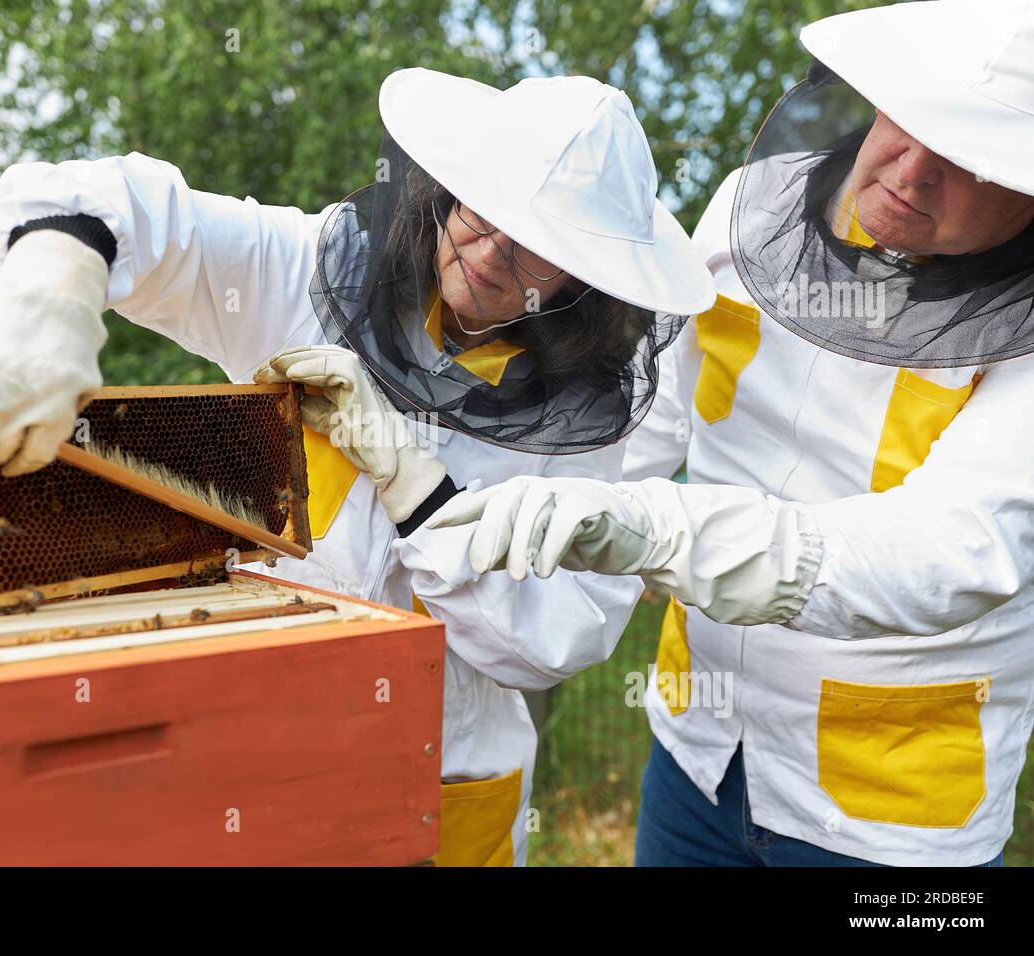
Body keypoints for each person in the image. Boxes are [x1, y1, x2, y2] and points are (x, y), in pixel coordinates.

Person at [0, 67, 716, 865]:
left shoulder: (599, 415)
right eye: (481, 212)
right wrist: (49, 290)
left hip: (449, 776)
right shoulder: (303, 271)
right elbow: (125, 204)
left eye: (537, 247)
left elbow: (553, 638)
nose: (491, 253)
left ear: (587, 274)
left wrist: (413, 483)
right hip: (253, 746)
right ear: (447, 187)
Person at [429, 0, 1034, 866]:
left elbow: (955, 551)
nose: (914, 166)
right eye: (909, 115)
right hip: (699, 747)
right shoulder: (758, 207)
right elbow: (650, 425)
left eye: (969, 155)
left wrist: (664, 529)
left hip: (887, 818)